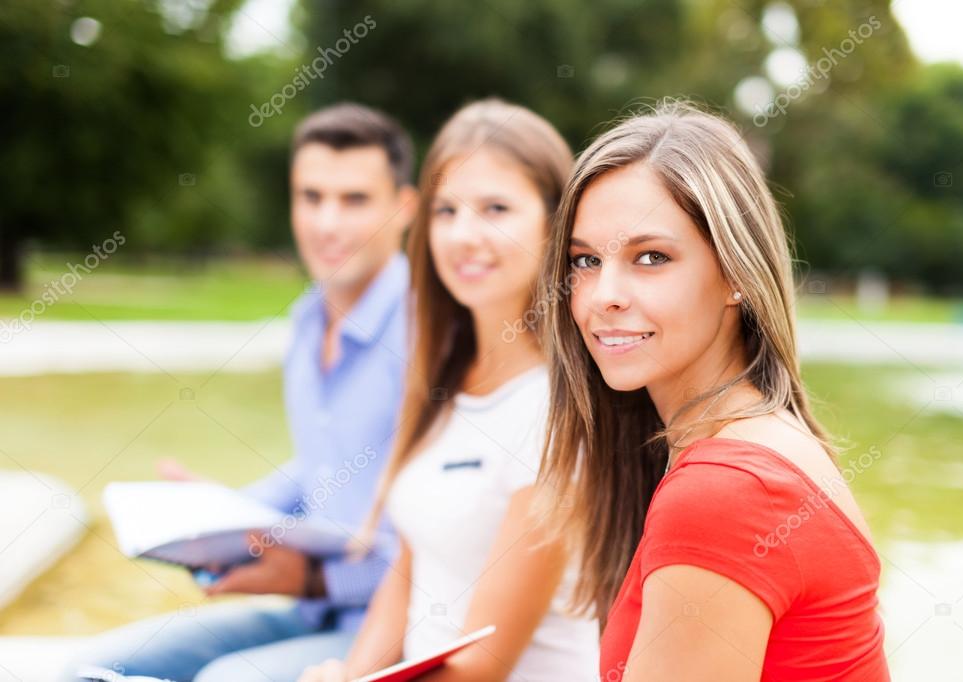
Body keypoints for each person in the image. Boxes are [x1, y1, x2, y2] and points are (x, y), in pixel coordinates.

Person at [535, 100, 890, 681]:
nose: (604, 295)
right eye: (586, 260)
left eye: (651, 257)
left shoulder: (727, 493)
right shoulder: (757, 444)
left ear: (735, 276)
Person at [67, 103, 419, 681]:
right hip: (312, 614)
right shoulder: (308, 321)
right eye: (312, 197)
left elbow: (451, 538)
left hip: (397, 625)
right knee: (90, 669)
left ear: (404, 208)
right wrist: (223, 515)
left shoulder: (430, 336)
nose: (327, 223)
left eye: (354, 200)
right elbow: (323, 467)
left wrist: (315, 577)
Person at [298, 99, 599, 682]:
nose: (464, 235)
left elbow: (480, 668)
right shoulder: (443, 387)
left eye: (495, 208)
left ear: (554, 222)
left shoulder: (556, 413)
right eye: (446, 210)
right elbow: (411, 565)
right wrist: (350, 673)